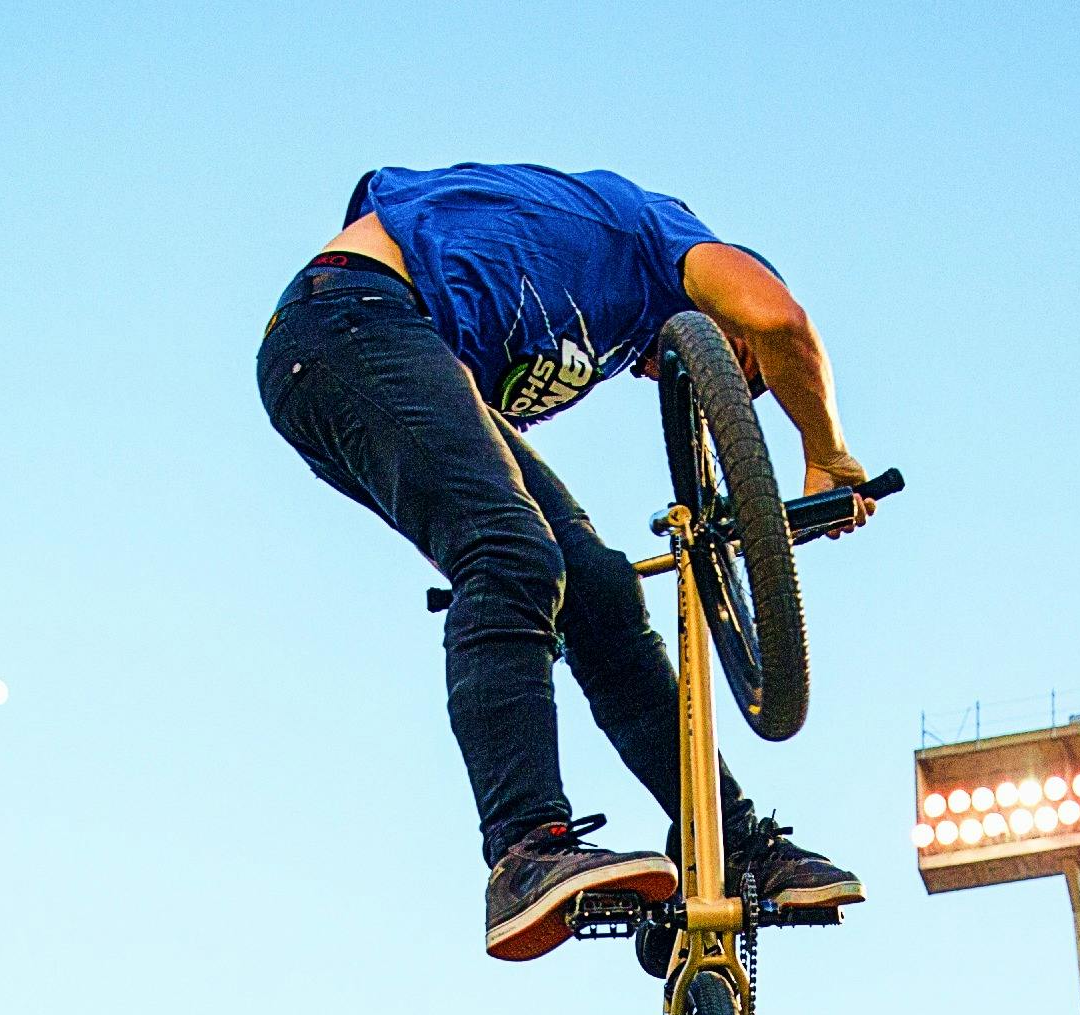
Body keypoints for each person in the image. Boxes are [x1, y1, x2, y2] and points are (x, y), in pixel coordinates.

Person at [256, 163, 871, 961]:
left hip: (396, 341)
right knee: (508, 552)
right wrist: (828, 456)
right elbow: (778, 315)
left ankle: (729, 838)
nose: (664, 375)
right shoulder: (661, 238)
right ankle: (524, 851)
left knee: (599, 588)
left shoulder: (616, 330)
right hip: (349, 317)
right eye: (749, 374)